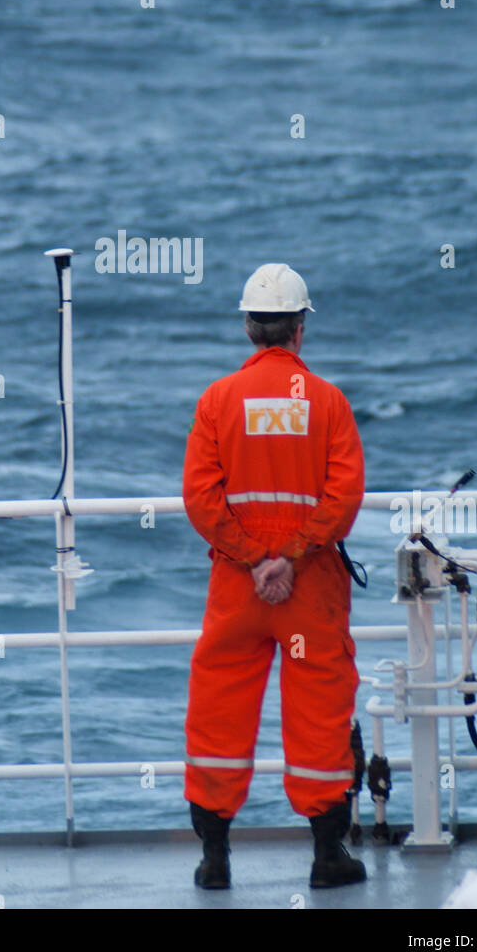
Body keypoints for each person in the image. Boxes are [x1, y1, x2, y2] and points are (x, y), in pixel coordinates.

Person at [182, 262, 366, 890]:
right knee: (319, 710)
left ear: (248, 328)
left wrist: (256, 561)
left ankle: (214, 859)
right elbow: (343, 500)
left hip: (239, 587)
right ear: (299, 329)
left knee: (219, 710)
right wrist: (289, 555)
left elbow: (201, 501)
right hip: (308, 588)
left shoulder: (216, 402)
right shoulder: (328, 403)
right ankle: (326, 855)